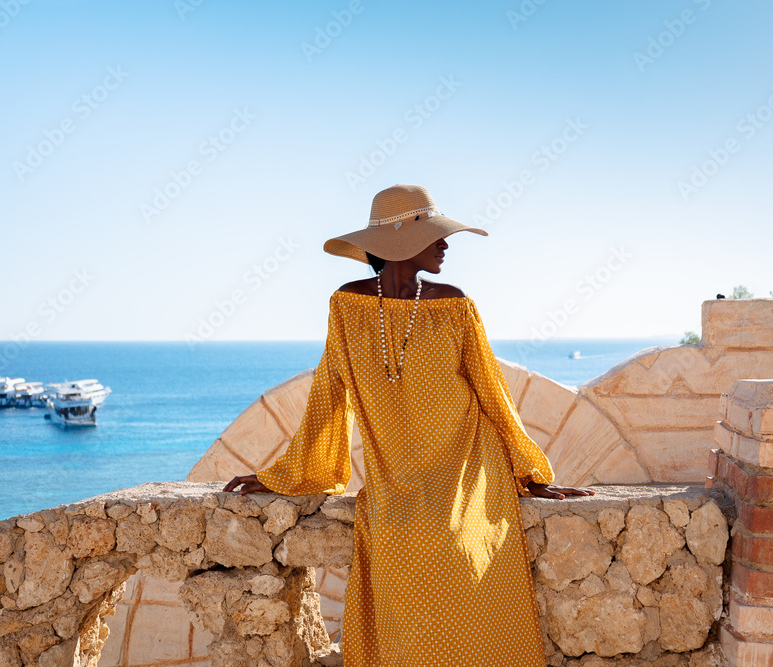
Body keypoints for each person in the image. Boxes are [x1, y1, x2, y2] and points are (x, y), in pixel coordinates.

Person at [224, 184, 593, 667]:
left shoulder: (454, 303)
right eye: (436, 234)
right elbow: (331, 390)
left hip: (468, 467)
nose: (445, 244)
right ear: (401, 240)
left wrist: (531, 473)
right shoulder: (346, 305)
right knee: (401, 575)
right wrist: (285, 473)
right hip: (393, 475)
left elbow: (492, 394)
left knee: (467, 559)